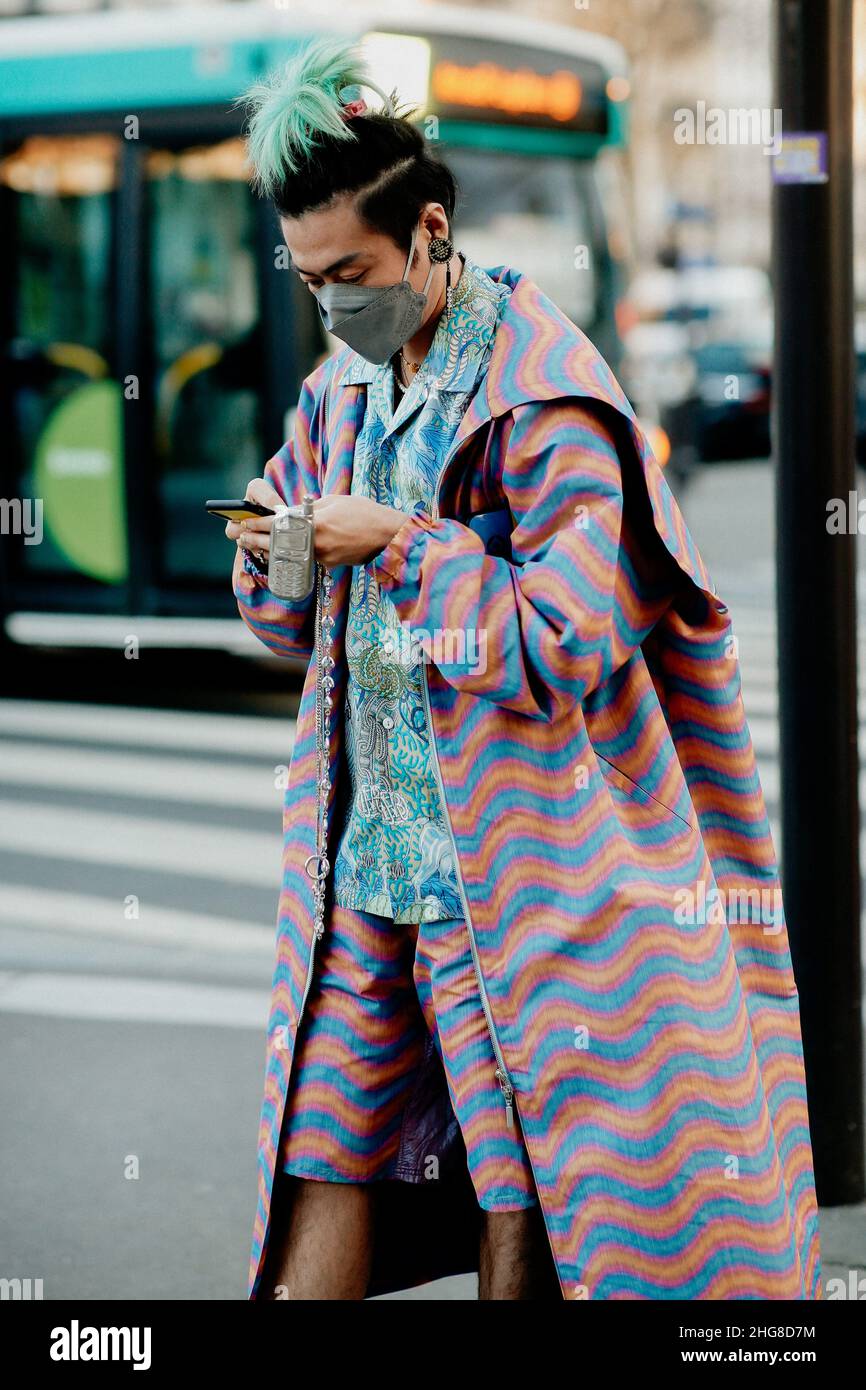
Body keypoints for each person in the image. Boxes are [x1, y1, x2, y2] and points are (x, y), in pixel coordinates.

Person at [227, 36, 822, 1302]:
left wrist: (393, 540)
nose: (331, 305)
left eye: (352, 274)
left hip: (507, 889)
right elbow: (281, 625)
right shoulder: (338, 393)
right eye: (311, 279)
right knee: (323, 1153)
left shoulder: (543, 398)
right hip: (366, 874)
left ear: (430, 231)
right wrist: (282, 552)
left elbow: (558, 648)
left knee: (526, 1198)